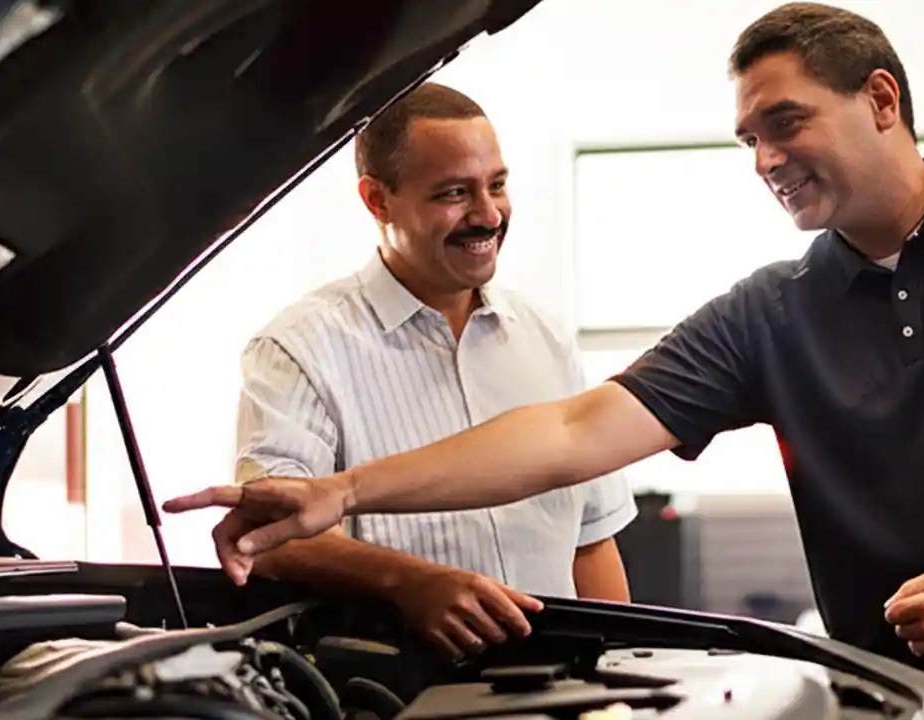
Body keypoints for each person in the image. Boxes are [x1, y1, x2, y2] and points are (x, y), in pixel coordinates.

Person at [168, 4, 924, 718]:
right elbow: (577, 431)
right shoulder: (771, 313)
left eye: (784, 124)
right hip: (894, 709)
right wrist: (346, 490)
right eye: (747, 141)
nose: (766, 161)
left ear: (877, 99)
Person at [225, 81, 637, 661]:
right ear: (377, 200)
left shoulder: (546, 337)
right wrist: (409, 581)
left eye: (497, 185)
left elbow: (591, 543)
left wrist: (622, 676)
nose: (488, 214)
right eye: (454, 193)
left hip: (558, 686)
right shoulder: (299, 346)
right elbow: (272, 538)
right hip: (396, 694)